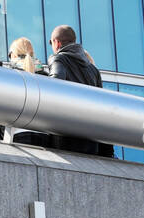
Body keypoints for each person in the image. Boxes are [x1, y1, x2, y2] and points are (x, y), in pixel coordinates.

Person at [46, 25, 112, 157]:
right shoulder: (93, 70)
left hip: (66, 133)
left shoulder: (59, 59)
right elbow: (102, 104)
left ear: (57, 42)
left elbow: (53, 86)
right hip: (91, 137)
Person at [5, 38, 53, 148]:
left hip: (18, 131)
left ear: (13, 55)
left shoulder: (11, 75)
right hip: (43, 134)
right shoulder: (45, 76)